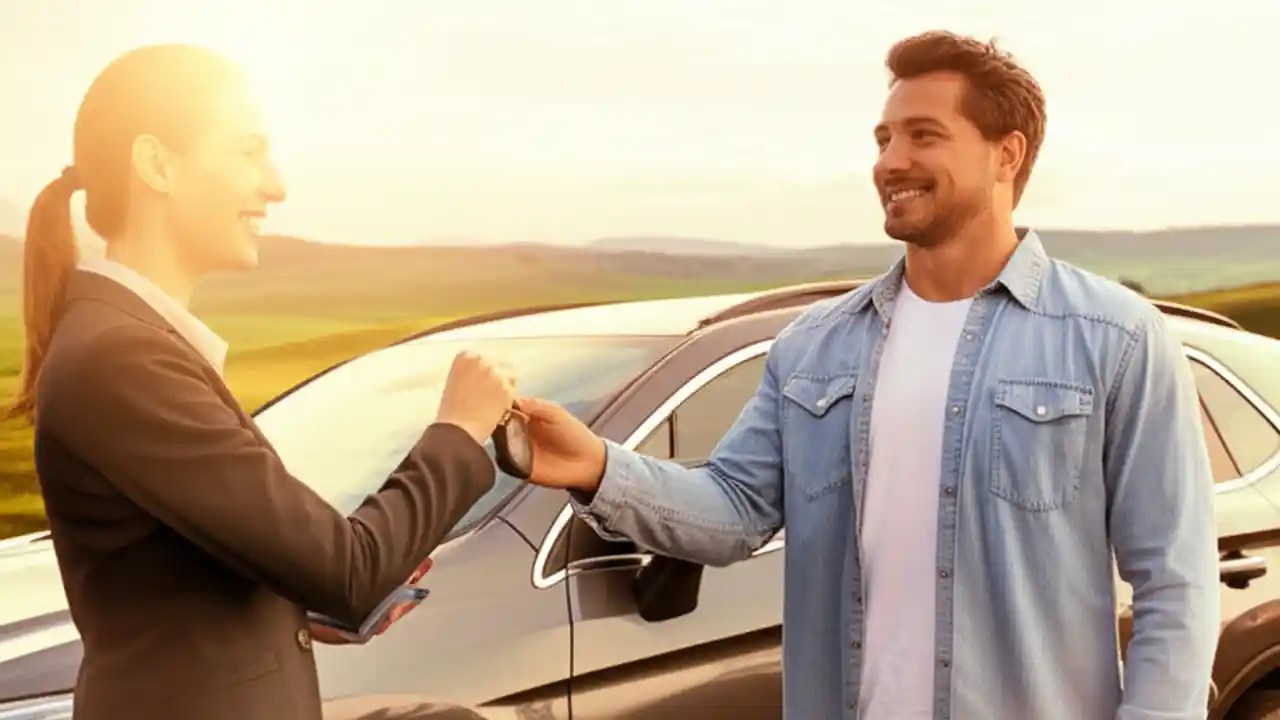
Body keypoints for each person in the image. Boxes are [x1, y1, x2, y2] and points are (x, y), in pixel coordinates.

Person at [516, 30, 1219, 720]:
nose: (891, 162)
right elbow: (733, 511)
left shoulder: (1114, 338)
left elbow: (1176, 583)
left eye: (923, 136)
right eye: (884, 140)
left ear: (1006, 154)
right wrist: (595, 467)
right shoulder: (816, 346)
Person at [6, 45, 513, 720]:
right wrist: (459, 430)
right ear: (157, 164)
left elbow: (167, 578)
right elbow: (350, 570)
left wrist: (283, 605)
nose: (275, 187)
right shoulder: (121, 359)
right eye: (249, 153)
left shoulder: (126, 345)